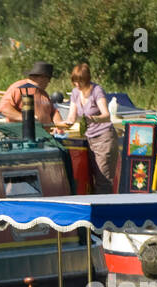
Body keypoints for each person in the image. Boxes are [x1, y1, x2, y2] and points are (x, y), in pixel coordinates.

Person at [65, 62, 119, 192]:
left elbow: (106, 115)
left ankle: (104, 209)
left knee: (103, 180)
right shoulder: (75, 93)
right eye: (75, 81)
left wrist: (92, 119)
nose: (77, 84)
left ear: (87, 79)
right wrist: (61, 126)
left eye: (80, 81)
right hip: (89, 140)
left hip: (104, 139)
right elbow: (71, 118)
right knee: (90, 178)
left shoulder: (97, 91)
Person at [0, 61, 66, 130]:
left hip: (43, 136)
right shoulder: (18, 88)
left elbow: (53, 112)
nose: (48, 82)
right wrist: (26, 119)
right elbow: (4, 108)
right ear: (42, 77)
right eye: (48, 79)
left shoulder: (44, 93)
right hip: (21, 135)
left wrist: (59, 127)